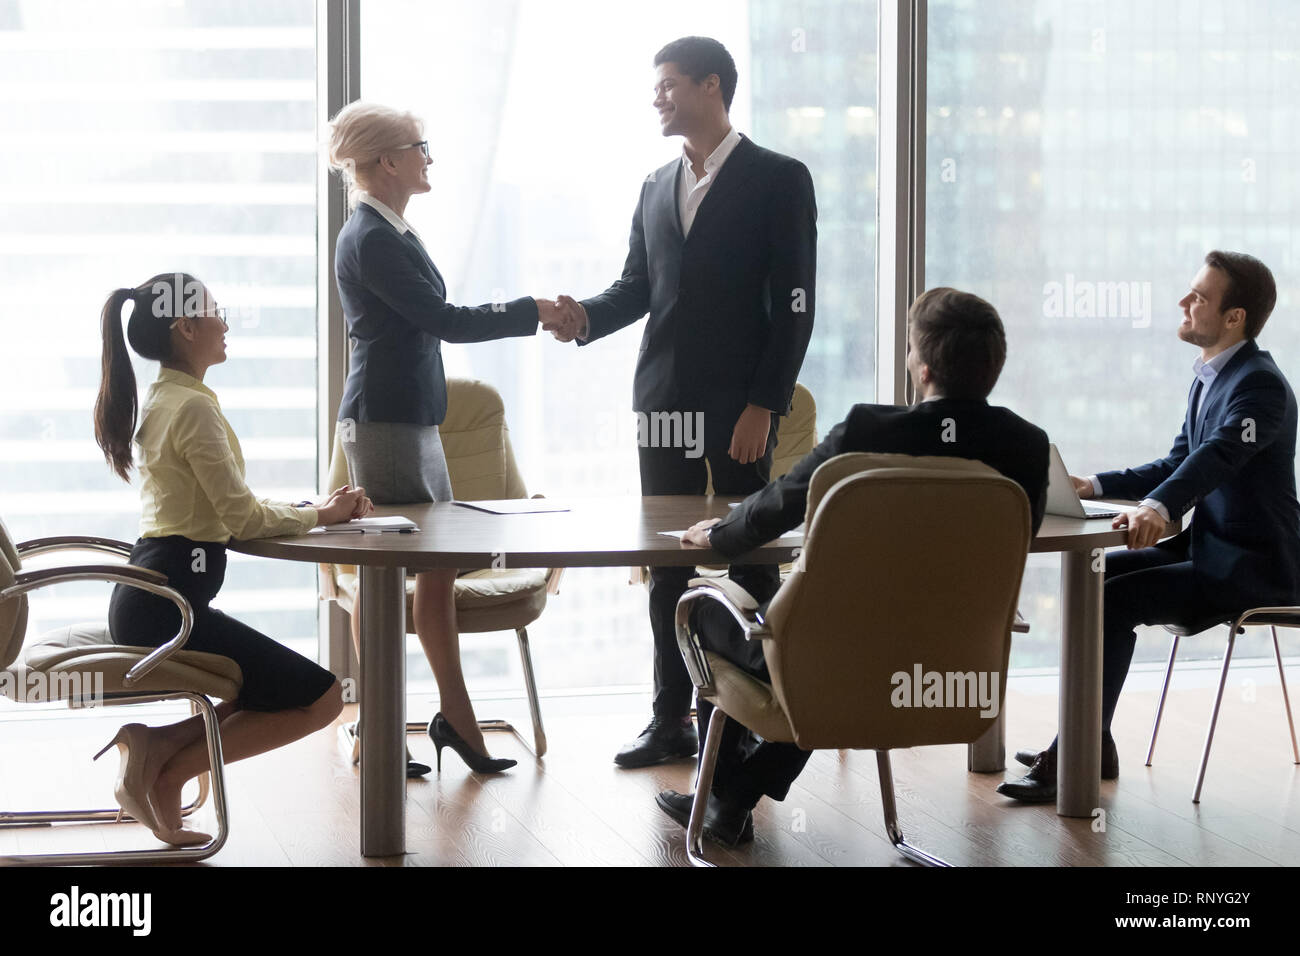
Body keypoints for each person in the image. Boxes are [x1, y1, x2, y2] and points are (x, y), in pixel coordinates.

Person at [653, 288, 1050, 846]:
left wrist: (715, 534)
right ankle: (735, 796)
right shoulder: (1028, 449)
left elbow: (774, 506)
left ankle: (719, 796)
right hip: (948, 669)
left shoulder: (867, 431)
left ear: (923, 366)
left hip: (836, 661)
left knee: (703, 615)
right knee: (841, 654)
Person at [546, 37, 818, 768]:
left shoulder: (779, 178)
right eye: (655, 87)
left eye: (668, 86)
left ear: (711, 86)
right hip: (662, 398)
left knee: (749, 554)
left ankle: (738, 715)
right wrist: (584, 320)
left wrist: (765, 404)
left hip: (740, 407)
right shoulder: (653, 184)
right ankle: (670, 719)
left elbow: (796, 306)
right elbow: (638, 287)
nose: (657, 98)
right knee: (664, 562)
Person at [1000, 250, 1300, 802]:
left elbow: (1219, 455)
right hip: (1211, 549)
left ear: (1234, 317)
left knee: (1112, 601)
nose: (1184, 303)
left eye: (1199, 297)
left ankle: (1077, 754)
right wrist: (1096, 484)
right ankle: (1094, 740)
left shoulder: (1261, 387)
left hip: (1253, 567)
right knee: (1098, 578)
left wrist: (1157, 508)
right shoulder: (1212, 378)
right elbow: (1178, 461)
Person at [327, 102, 565, 775]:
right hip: (387, 423)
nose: (429, 157)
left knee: (434, 571)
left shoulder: (391, 229)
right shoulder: (371, 237)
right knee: (385, 576)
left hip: (409, 420)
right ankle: (378, 730)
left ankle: (453, 721)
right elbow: (444, 320)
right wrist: (533, 311)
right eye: (419, 146)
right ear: (387, 160)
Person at [93, 273, 366, 845]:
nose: (226, 324)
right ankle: (167, 770)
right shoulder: (192, 409)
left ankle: (158, 752)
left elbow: (224, 506)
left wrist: (311, 509)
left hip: (152, 595)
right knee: (321, 699)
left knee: (269, 687)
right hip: (168, 607)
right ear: (185, 327)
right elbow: (240, 519)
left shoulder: (168, 400)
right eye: (216, 313)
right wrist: (322, 516)